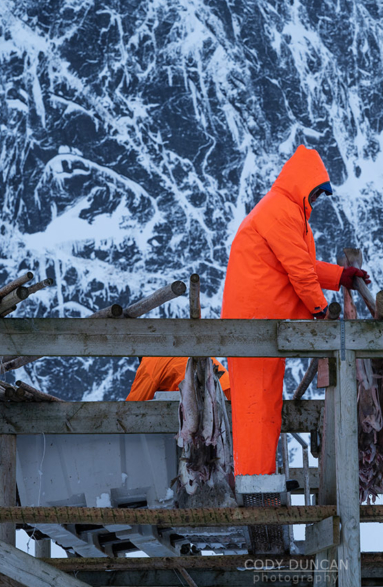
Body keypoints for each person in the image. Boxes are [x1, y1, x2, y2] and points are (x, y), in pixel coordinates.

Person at [221, 145, 370, 476]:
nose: (316, 200)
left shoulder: (283, 211)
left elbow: (301, 266)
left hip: (259, 324)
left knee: (266, 410)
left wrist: (339, 276)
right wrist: (320, 312)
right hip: (253, 327)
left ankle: (257, 483)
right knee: (255, 413)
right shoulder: (282, 213)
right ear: (304, 185)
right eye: (315, 192)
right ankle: (254, 489)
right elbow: (300, 274)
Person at [125, 356, 231, 401]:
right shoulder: (172, 350)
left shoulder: (149, 364)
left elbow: (135, 403)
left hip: (209, 393)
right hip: (227, 386)